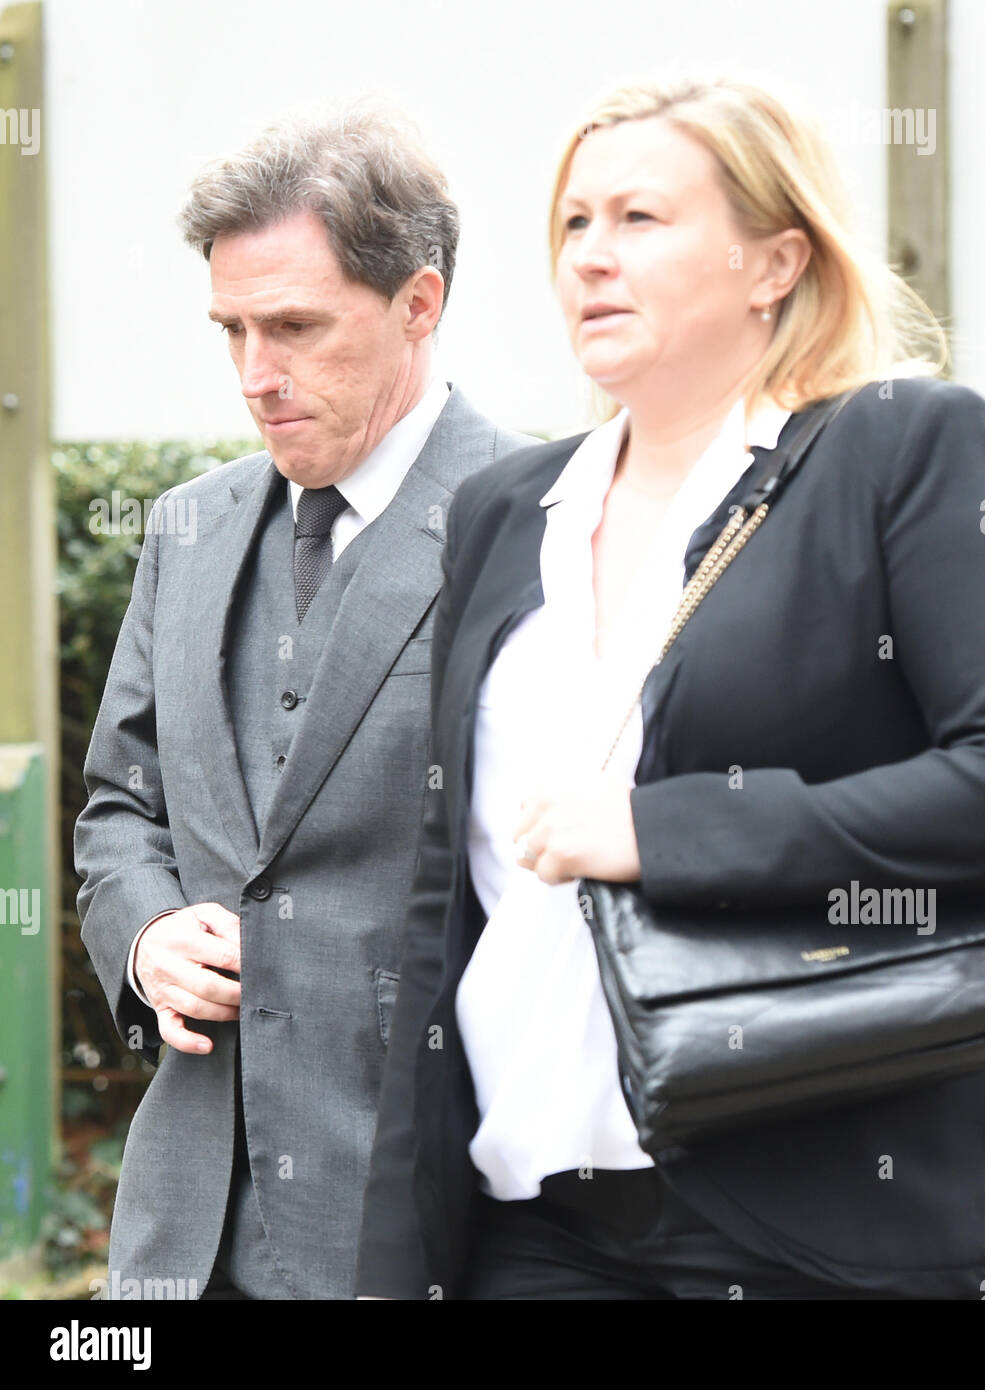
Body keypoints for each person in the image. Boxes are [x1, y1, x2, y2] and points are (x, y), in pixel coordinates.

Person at [355, 73, 985, 1301]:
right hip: (532, 1212)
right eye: (573, 224)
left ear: (774, 261)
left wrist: (667, 829)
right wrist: (401, 1243)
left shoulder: (898, 447)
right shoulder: (503, 509)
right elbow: (453, 893)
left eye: (639, 220)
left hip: (819, 1206)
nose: (590, 256)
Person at [73, 105, 535, 1299]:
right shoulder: (185, 525)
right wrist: (145, 933)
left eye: (293, 327)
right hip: (181, 1231)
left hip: (430, 1217)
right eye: (230, 329)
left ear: (418, 304)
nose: (253, 377)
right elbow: (119, 811)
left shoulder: (541, 521)